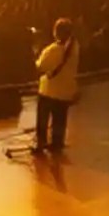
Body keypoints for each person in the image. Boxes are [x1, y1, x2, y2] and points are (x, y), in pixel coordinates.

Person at [33, 18, 79, 153]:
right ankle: (57, 144)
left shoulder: (51, 50)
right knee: (60, 119)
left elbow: (40, 66)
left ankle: (41, 143)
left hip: (48, 91)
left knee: (43, 119)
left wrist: (37, 54)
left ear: (56, 32)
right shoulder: (75, 48)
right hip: (65, 91)